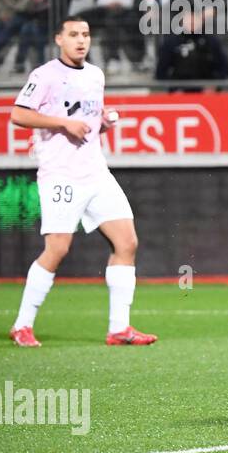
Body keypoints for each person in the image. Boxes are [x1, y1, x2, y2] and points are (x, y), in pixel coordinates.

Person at [8, 17, 157, 348]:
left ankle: (119, 328)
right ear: (59, 39)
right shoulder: (45, 75)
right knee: (58, 248)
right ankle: (22, 325)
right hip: (61, 174)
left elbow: (88, 120)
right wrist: (63, 123)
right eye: (73, 34)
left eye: (86, 34)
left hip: (95, 172)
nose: (81, 40)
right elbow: (18, 114)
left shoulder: (95, 75)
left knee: (127, 242)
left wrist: (101, 123)